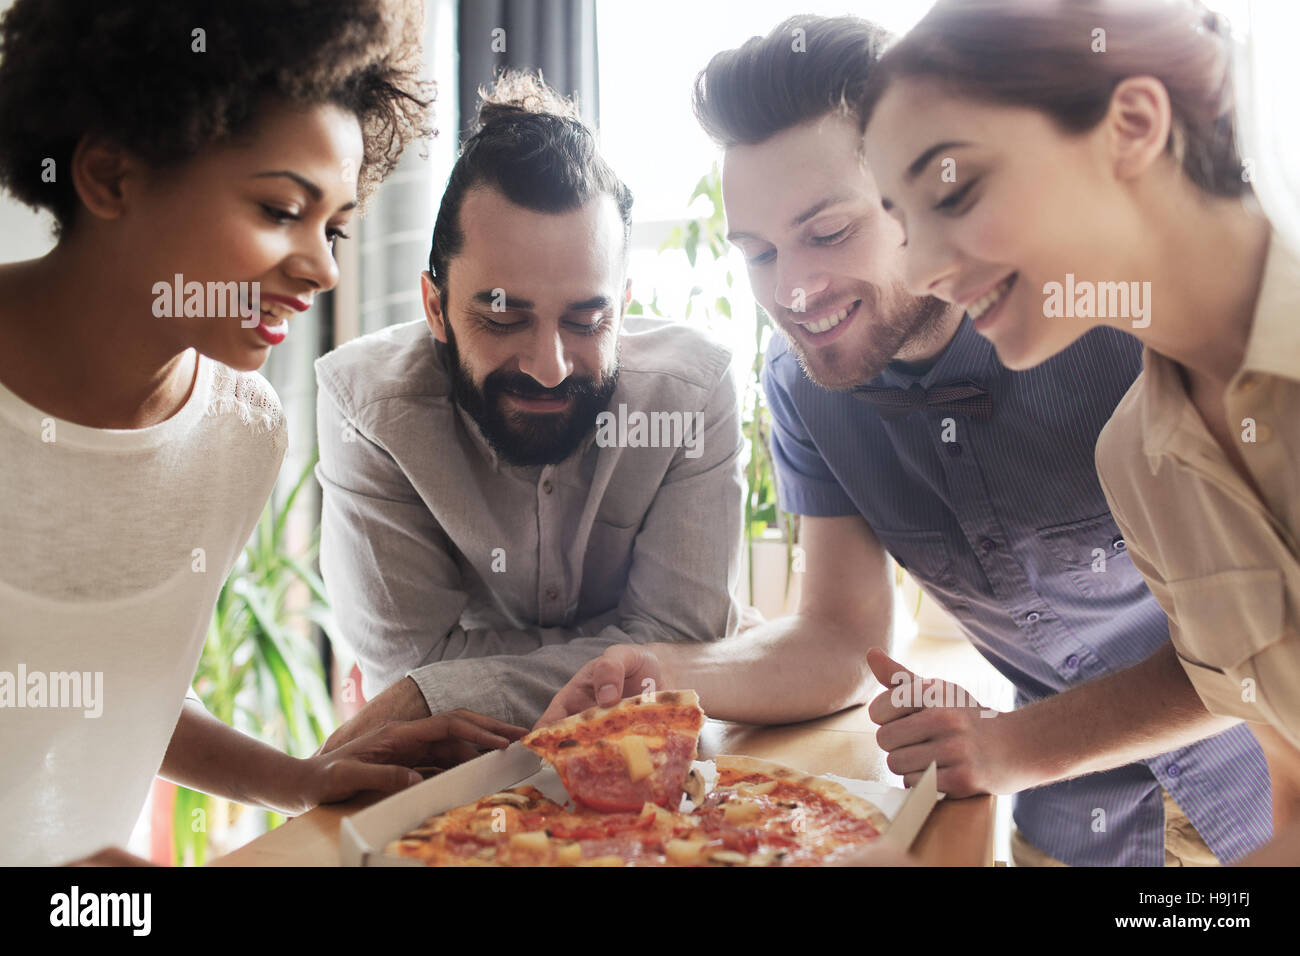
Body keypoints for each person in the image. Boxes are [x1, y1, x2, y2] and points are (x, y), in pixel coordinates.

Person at [537, 14, 1278, 867]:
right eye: (758, 252)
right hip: (1072, 838)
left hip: (1267, 801)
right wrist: (662, 671)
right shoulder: (804, 386)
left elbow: (1261, 646)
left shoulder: (1128, 321)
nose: (796, 289)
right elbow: (840, 638)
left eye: (827, 232)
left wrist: (1008, 748)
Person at [0, 0, 522, 867]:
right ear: (110, 176)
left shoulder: (238, 434)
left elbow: (109, 689)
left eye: (337, 225)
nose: (322, 267)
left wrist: (296, 780)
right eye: (281, 208)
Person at [858, 0, 1300, 863]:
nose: (918, 267)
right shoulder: (1137, 461)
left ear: (1132, 123)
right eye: (903, 223)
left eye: (954, 189)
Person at [312, 72, 745, 748]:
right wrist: (622, 652)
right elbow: (413, 666)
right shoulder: (367, 412)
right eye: (503, 316)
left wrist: (449, 684)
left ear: (622, 307)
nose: (551, 366)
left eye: (585, 320)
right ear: (435, 308)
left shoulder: (693, 395)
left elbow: (682, 643)